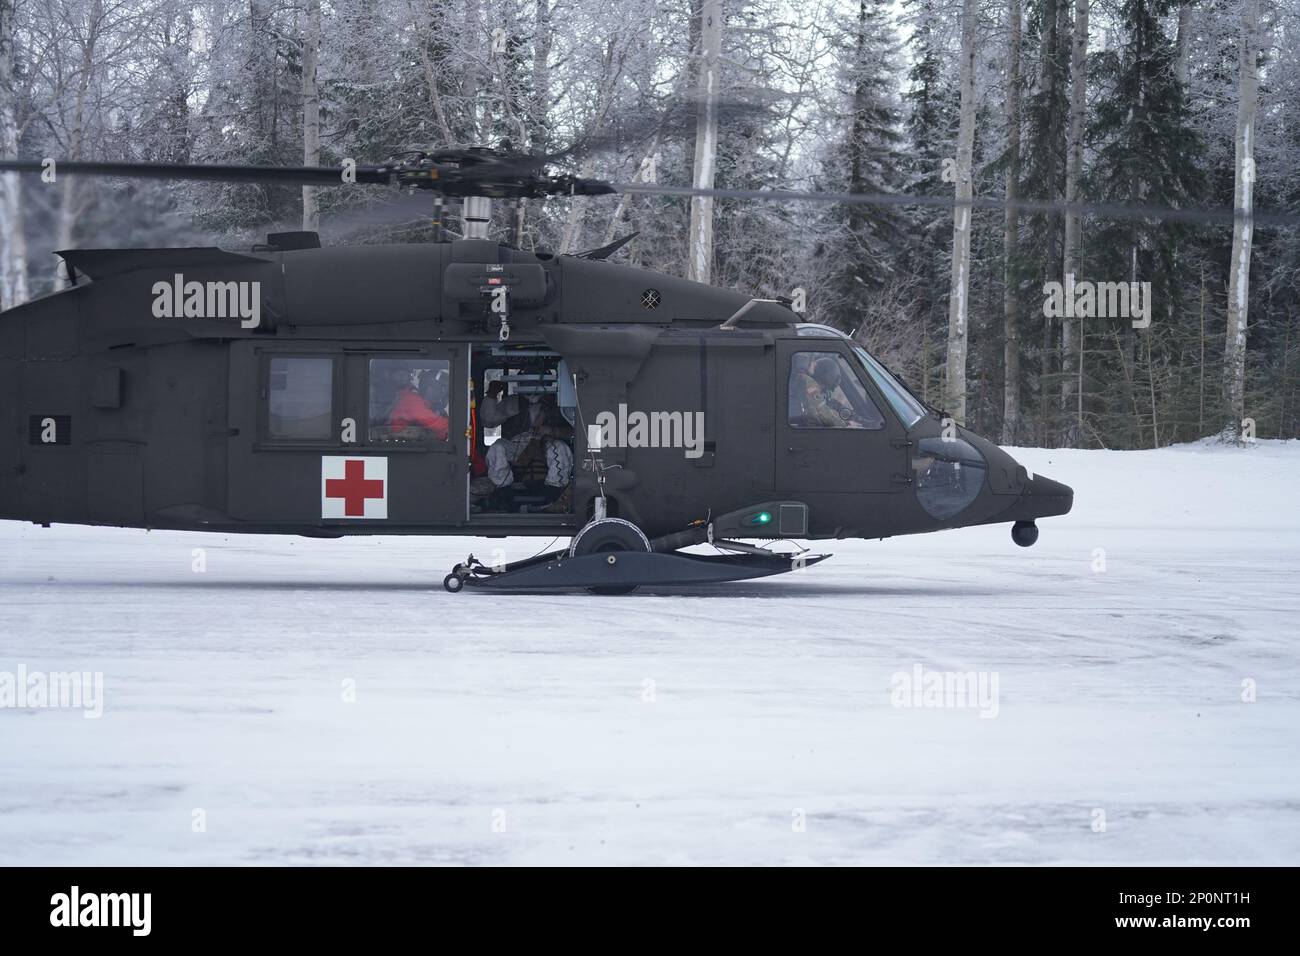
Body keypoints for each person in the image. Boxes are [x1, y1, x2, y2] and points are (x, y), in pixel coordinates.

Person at [387, 368, 449, 440]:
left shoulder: (430, 406)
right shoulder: (412, 400)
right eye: (440, 389)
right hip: (399, 443)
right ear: (427, 388)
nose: (442, 394)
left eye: (444, 390)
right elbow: (436, 424)